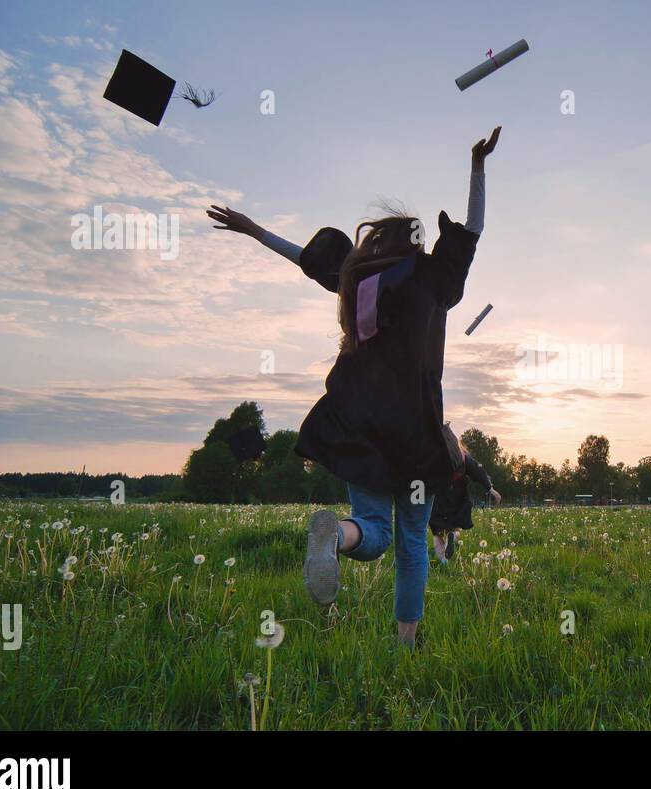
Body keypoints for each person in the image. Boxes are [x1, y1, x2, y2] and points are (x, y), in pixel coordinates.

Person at [207, 127, 501, 647]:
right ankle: (406, 644)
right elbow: (474, 228)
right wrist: (477, 166)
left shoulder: (358, 278)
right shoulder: (431, 276)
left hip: (357, 421)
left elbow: (304, 256)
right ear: (417, 245)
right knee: (411, 541)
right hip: (413, 433)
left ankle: (337, 536)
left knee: (371, 526)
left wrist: (255, 231)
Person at [429, 425, 502, 564]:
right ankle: (452, 535)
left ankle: (443, 562)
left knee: (437, 534)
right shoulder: (462, 457)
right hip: (458, 499)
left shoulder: (434, 456)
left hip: (438, 500)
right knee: (455, 528)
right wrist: (490, 489)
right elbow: (478, 471)